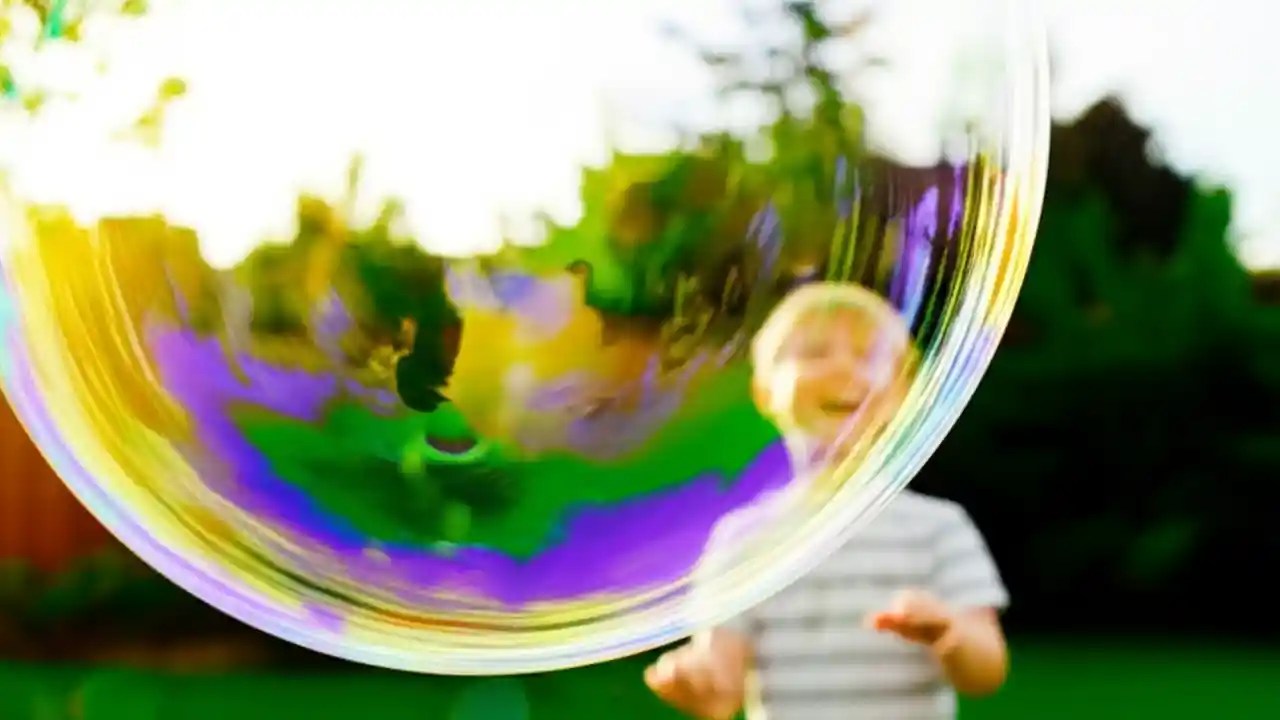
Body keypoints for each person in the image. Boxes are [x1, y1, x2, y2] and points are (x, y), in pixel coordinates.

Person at [648, 282, 1009, 720]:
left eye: (867, 356)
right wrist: (693, 680)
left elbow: (986, 673)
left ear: (901, 396)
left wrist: (950, 631)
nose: (841, 366)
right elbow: (721, 690)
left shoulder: (938, 528)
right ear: (765, 392)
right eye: (815, 352)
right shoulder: (742, 539)